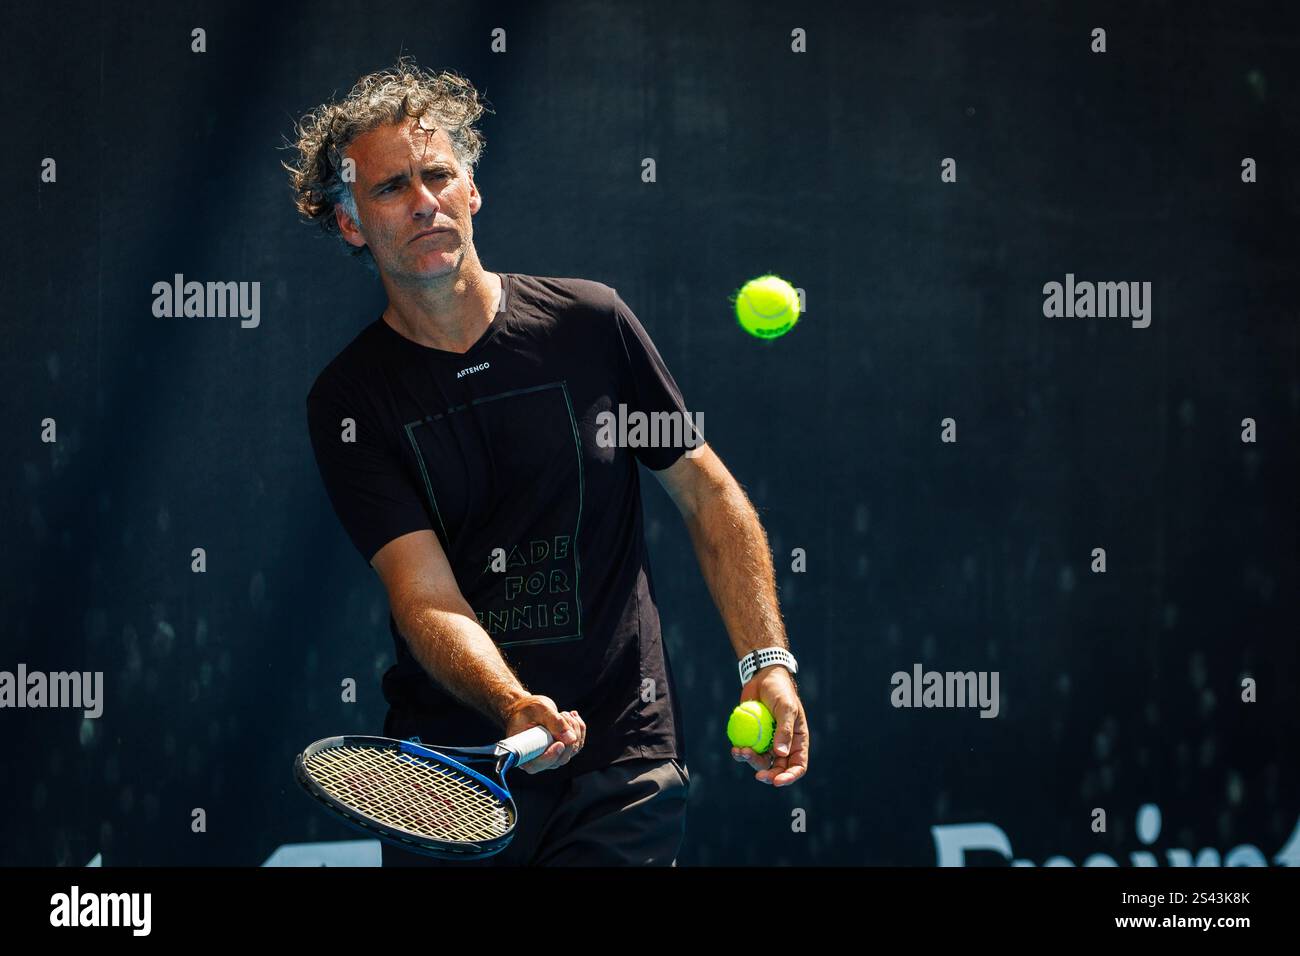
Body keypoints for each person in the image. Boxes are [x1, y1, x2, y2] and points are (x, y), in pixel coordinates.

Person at [285, 57, 809, 866]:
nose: (424, 203)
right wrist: (511, 704)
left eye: (439, 175)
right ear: (351, 222)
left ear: (473, 190)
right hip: (449, 775)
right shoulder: (350, 400)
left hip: (622, 759)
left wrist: (766, 659)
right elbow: (424, 594)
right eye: (391, 188)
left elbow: (708, 497)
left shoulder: (591, 326)